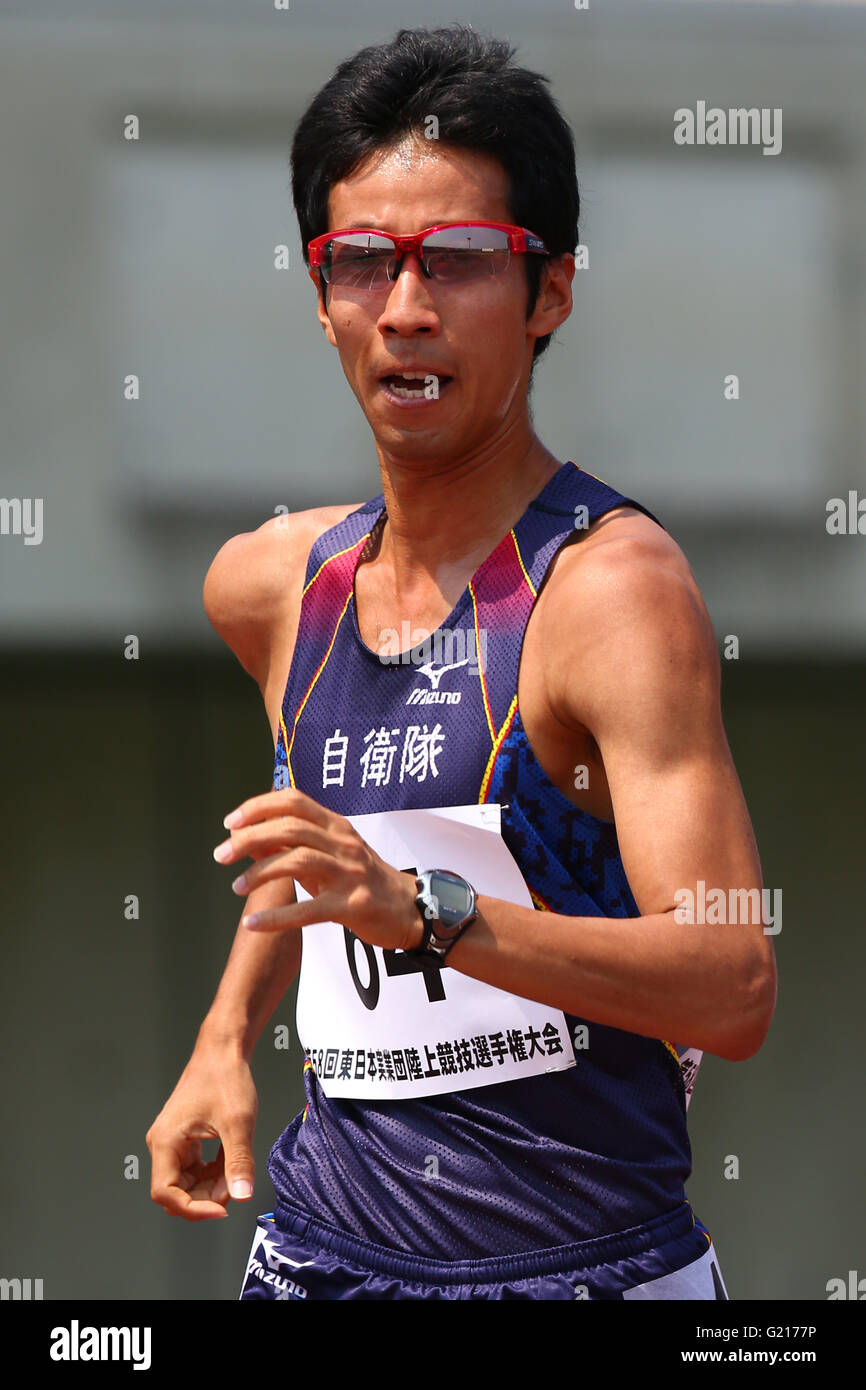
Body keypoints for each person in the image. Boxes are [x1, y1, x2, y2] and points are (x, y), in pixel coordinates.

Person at [146, 24, 776, 1301]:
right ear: (320, 295)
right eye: (363, 259)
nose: (408, 307)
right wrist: (223, 1039)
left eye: (462, 260)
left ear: (548, 291)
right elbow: (323, 845)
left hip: (578, 1270)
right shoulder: (272, 587)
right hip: (320, 1257)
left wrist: (430, 915)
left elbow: (730, 983)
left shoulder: (608, 593)